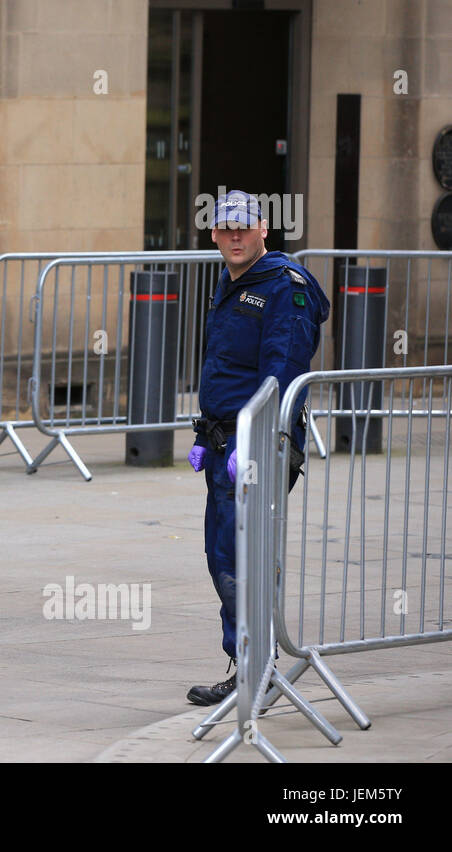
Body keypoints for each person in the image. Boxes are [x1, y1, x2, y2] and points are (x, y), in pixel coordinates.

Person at [186, 190, 328, 705]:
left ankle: (255, 669)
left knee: (238, 558)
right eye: (226, 230)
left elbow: (280, 377)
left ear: (264, 228)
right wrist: (207, 437)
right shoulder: (232, 282)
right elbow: (227, 368)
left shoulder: (284, 288)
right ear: (214, 235)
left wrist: (255, 444)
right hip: (225, 445)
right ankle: (248, 664)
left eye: (244, 227)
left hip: (257, 448)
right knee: (222, 555)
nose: (235, 237)